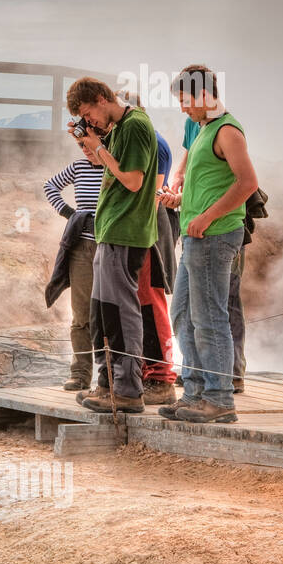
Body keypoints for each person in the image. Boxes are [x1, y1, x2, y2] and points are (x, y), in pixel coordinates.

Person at [158, 66, 258, 424]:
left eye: (185, 101)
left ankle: (219, 399)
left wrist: (208, 217)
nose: (183, 109)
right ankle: (196, 392)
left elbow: (247, 183)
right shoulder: (203, 128)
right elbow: (210, 184)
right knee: (183, 312)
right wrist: (182, 201)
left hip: (215, 236)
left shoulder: (227, 130)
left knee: (209, 315)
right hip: (197, 233)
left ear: (202, 95)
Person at [66, 77, 159, 414]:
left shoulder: (134, 126)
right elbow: (106, 165)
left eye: (89, 113)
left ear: (103, 99)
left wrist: (99, 145)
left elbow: (133, 181)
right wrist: (90, 143)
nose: (89, 120)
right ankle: (108, 384)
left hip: (125, 231)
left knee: (121, 313)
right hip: (111, 230)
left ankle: (128, 390)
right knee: (104, 313)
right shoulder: (118, 128)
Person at [116, 89, 178, 406]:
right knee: (138, 302)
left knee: (149, 302)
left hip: (149, 231)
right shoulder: (135, 139)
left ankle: (162, 377)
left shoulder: (153, 142)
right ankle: (145, 371)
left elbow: (151, 197)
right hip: (139, 230)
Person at [43, 140, 106, 390]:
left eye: (89, 144)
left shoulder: (114, 167)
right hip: (81, 248)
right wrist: (70, 214)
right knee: (81, 313)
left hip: (110, 246)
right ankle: (80, 374)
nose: (86, 149)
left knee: (109, 313)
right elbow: (50, 186)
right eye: (81, 145)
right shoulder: (79, 167)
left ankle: (109, 375)